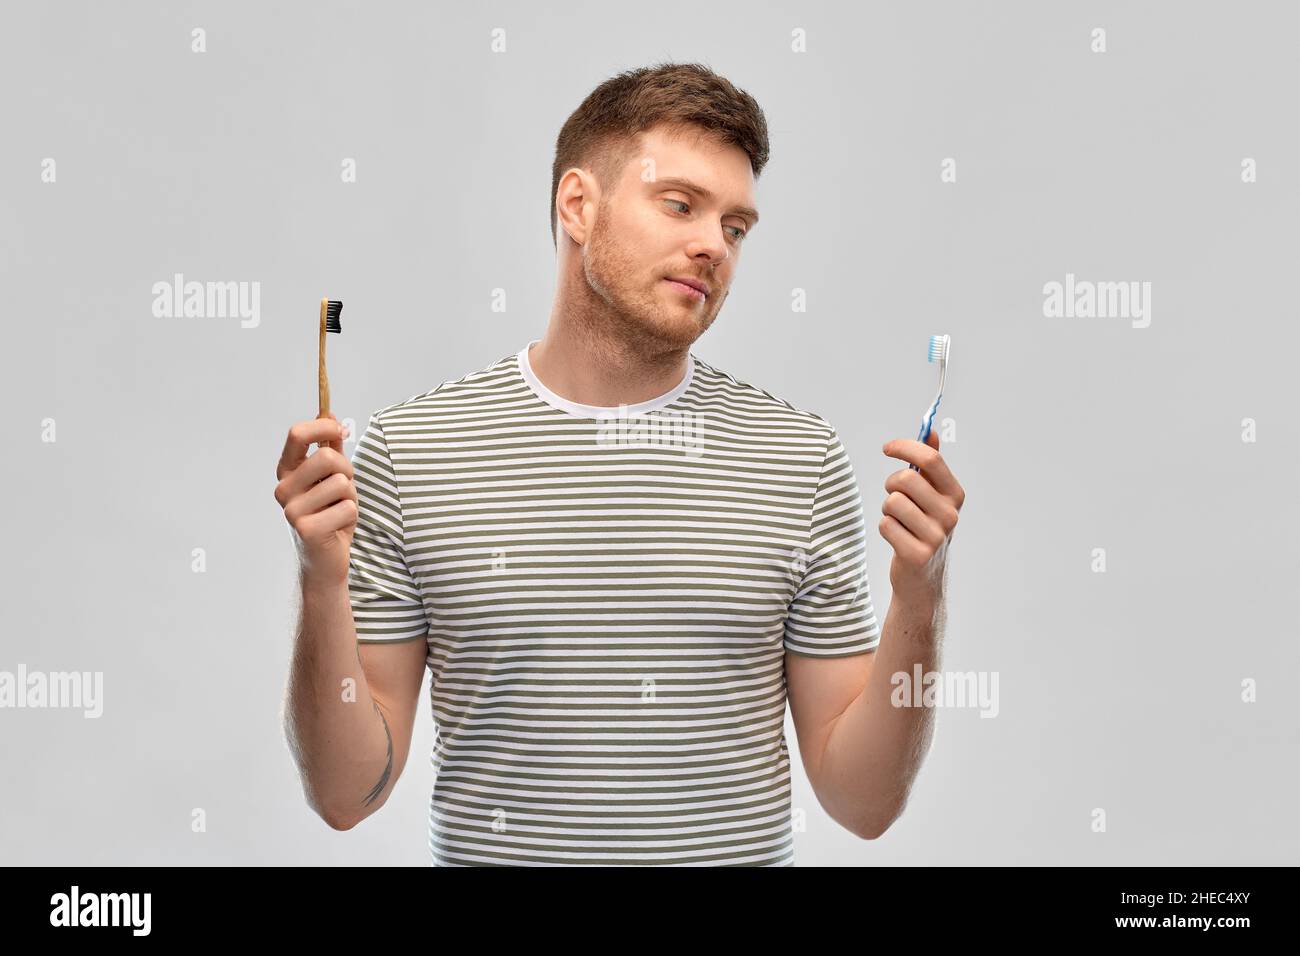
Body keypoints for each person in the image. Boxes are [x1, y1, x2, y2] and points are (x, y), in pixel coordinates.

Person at [275, 62, 965, 866]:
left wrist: (921, 593)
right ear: (578, 205)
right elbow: (345, 794)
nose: (713, 244)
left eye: (736, 228)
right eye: (679, 204)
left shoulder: (797, 460)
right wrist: (319, 581)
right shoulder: (411, 452)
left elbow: (864, 802)